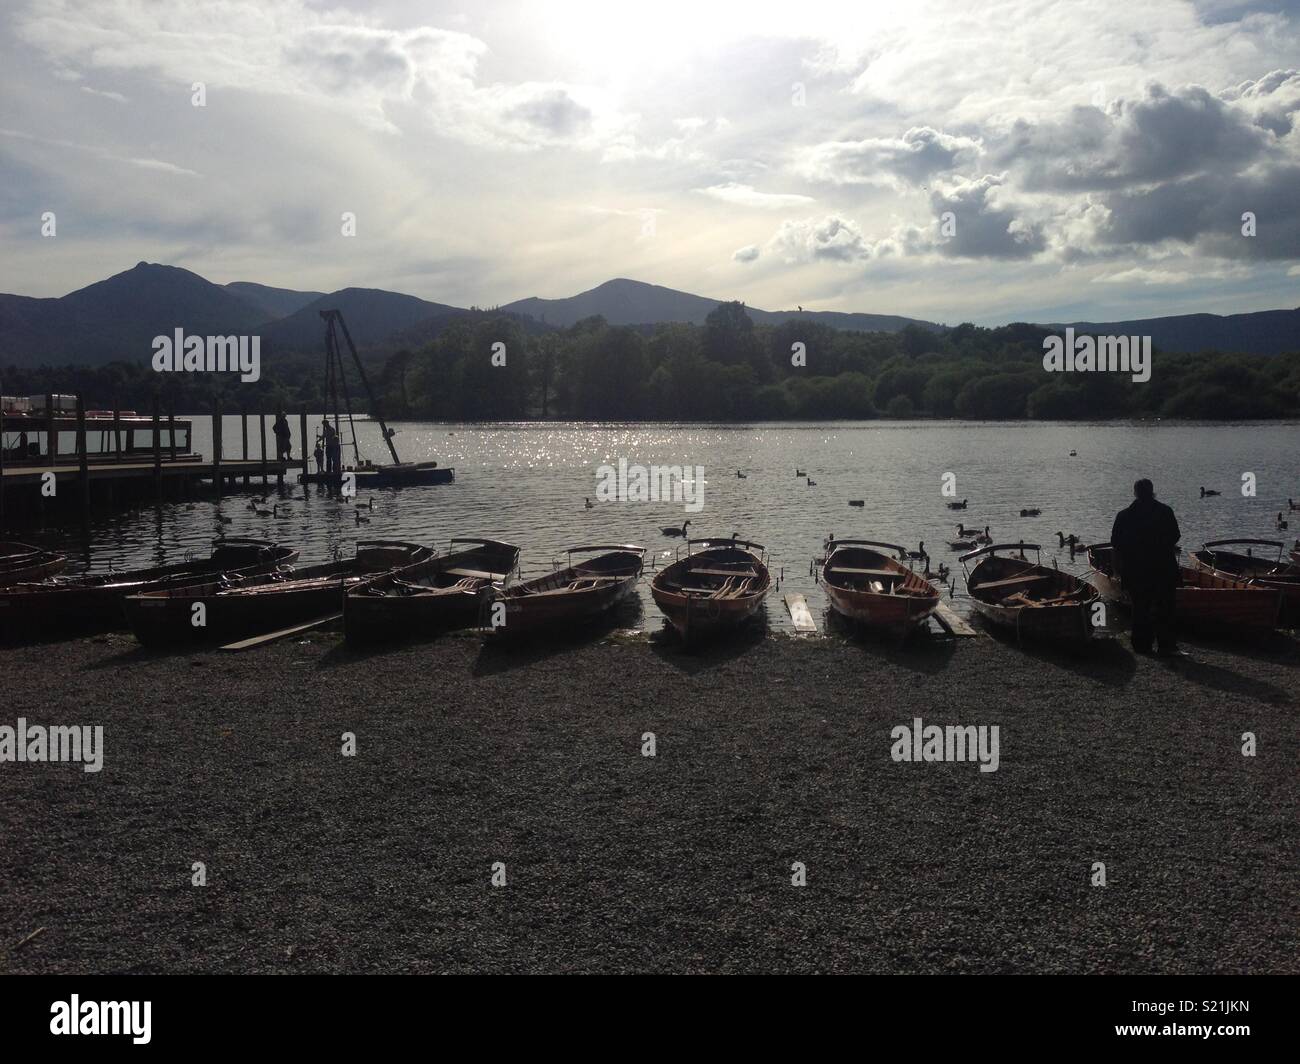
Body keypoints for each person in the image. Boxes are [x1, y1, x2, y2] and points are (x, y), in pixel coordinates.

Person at [1110, 478, 1181, 656]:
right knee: (1165, 608)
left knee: (1140, 609)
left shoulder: (1124, 515)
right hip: (1163, 568)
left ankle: (1142, 647)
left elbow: (1116, 543)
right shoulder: (1165, 511)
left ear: (1135, 492)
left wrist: (1117, 567)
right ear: (1152, 491)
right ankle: (1166, 646)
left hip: (1135, 570)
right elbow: (1175, 536)